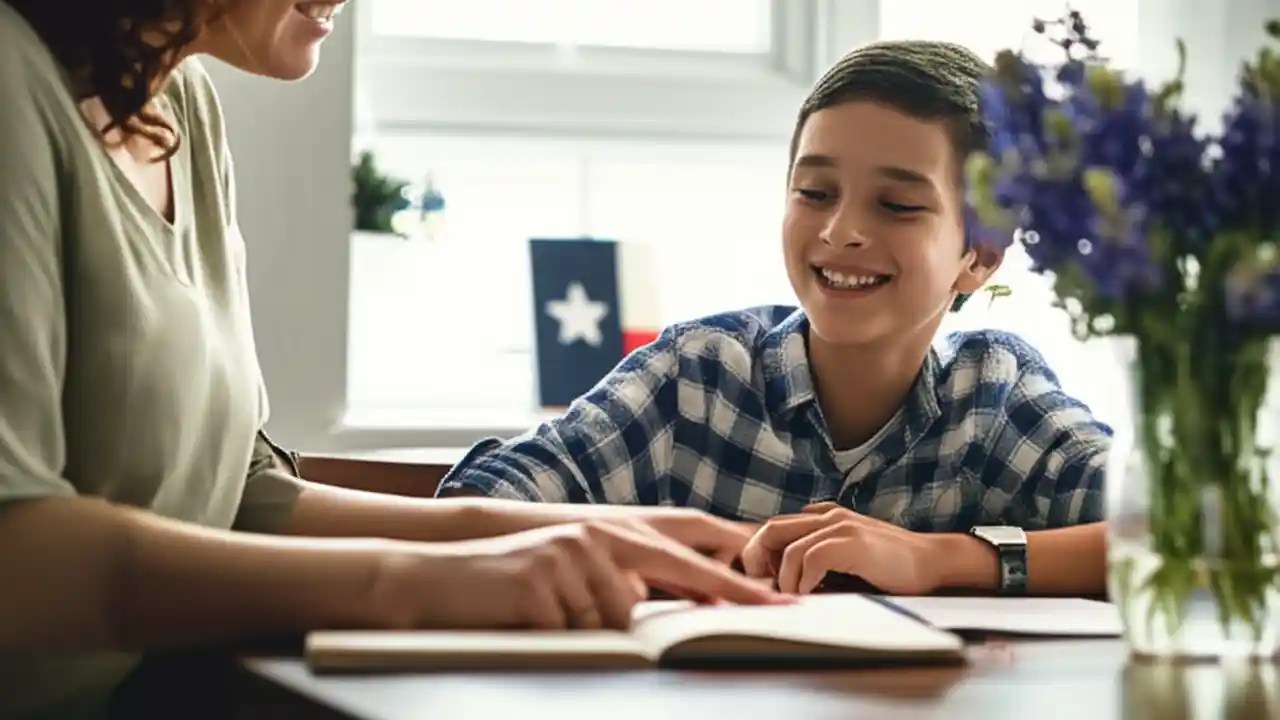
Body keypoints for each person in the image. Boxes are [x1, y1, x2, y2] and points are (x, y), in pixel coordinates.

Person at [0, 2, 786, 717]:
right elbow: (19, 552)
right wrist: (414, 584)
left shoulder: (183, 105)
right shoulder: (13, 83)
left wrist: (562, 533)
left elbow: (237, 493)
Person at [436, 40, 1113, 599]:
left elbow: (1180, 535)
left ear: (979, 255)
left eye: (898, 205)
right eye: (815, 193)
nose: (842, 230)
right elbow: (481, 508)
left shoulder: (995, 396)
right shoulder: (694, 379)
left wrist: (936, 559)